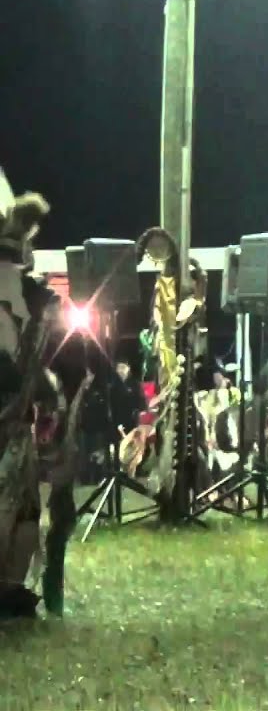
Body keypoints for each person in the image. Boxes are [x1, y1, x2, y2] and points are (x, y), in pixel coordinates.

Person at [0, 166, 56, 618]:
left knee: (19, 505)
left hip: (14, 418)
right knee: (19, 505)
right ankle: (11, 584)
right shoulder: (30, 297)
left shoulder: (30, 300)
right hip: (14, 417)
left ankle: (12, 586)